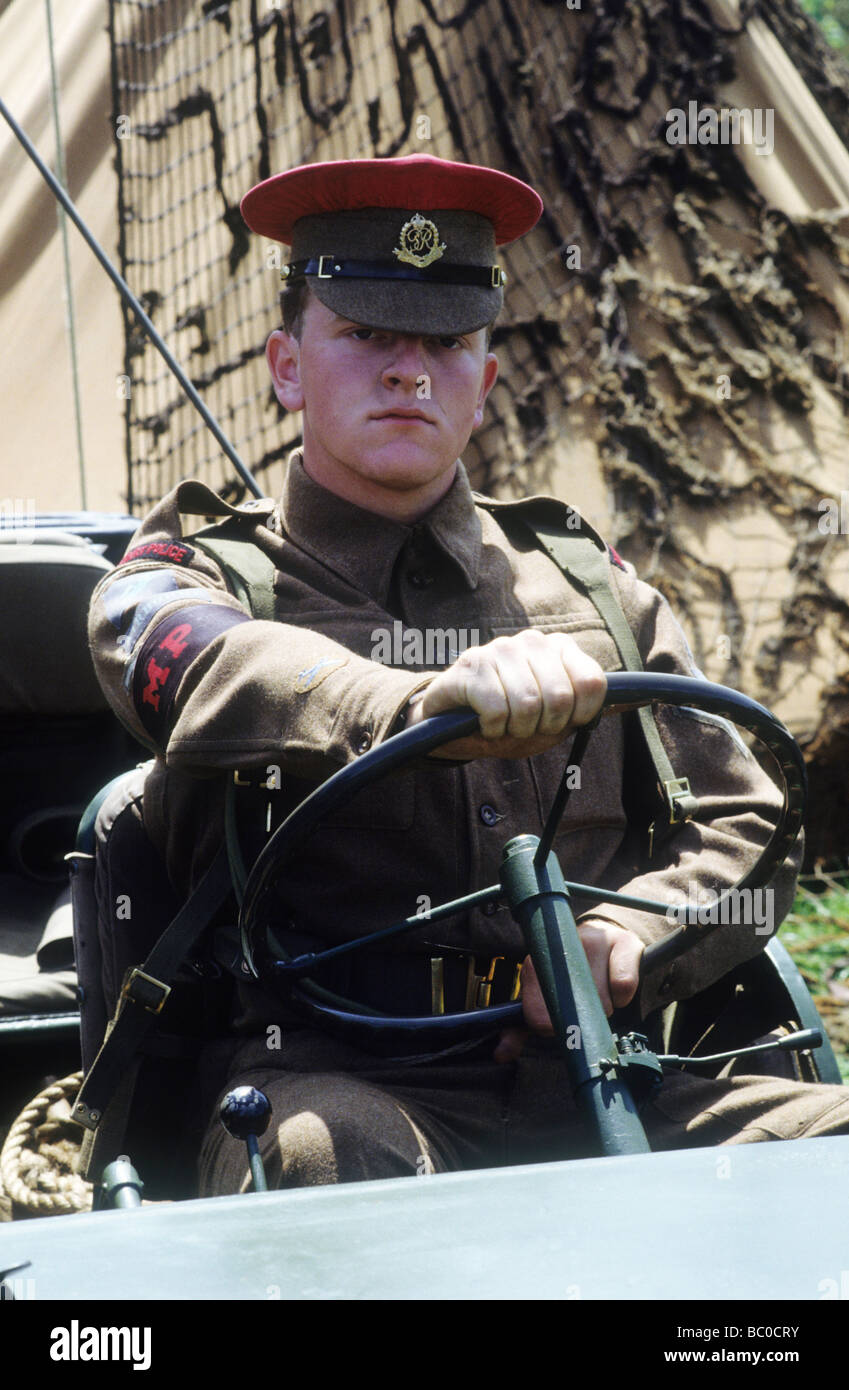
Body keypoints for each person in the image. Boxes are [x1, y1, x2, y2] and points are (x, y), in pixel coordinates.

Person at [88, 154, 849, 1194]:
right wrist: (405, 705)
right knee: (324, 1164)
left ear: (484, 386)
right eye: (366, 336)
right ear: (285, 366)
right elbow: (189, 663)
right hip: (340, 1082)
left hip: (620, 1070)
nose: (410, 372)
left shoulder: (594, 590)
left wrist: (637, 929)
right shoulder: (199, 569)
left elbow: (749, 816)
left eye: (447, 343)